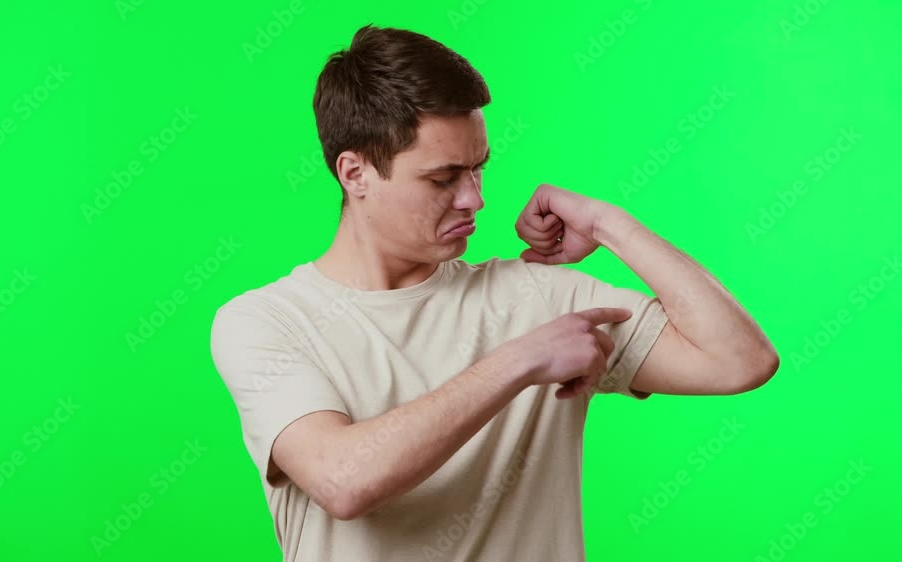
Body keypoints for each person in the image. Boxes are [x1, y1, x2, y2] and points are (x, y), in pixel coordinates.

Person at [210, 24, 779, 562]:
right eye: (443, 179)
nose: (474, 200)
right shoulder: (265, 322)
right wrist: (523, 359)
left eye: (478, 170)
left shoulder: (536, 295)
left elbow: (740, 361)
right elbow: (344, 481)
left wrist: (608, 224)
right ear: (354, 173)